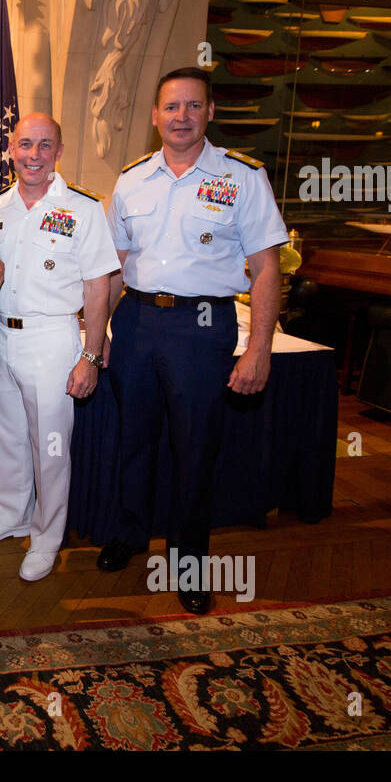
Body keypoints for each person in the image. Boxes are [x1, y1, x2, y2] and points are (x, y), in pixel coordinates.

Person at [97, 66, 287, 614]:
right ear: (155, 116)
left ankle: (188, 562)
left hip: (201, 329)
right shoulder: (132, 179)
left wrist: (259, 349)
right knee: (133, 438)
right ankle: (131, 533)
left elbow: (267, 268)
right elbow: (117, 265)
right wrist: (99, 334)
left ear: (209, 112)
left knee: (194, 447)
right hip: (135, 323)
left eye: (193, 106)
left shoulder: (242, 177)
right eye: (171, 107)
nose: (181, 116)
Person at [0, 114, 120, 581]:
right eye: (25, 145)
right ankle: (10, 514)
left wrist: (91, 355)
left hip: (52, 336)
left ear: (58, 151)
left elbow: (100, 285)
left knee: (50, 446)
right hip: (2, 332)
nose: (34, 155)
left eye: (45, 145)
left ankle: (47, 536)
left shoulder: (83, 209)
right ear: (11, 150)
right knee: (8, 435)